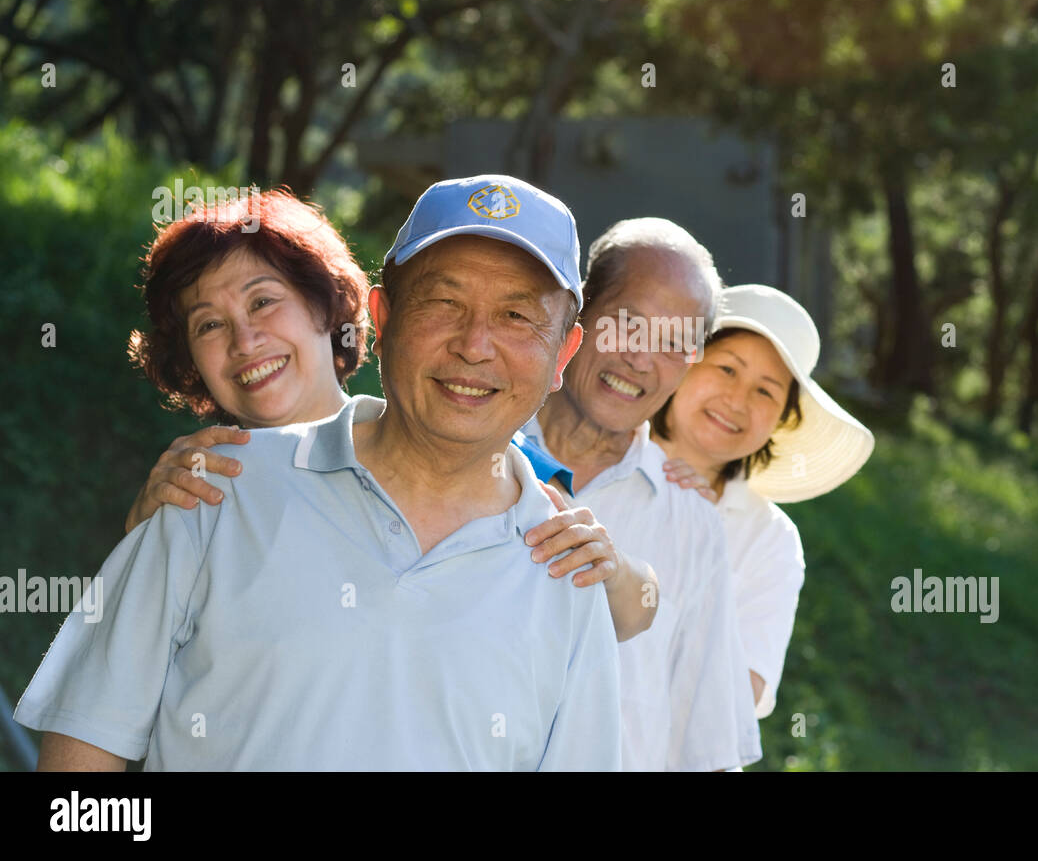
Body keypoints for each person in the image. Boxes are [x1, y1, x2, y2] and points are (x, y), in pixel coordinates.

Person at [15, 175, 622, 770]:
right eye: (444, 302)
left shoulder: (567, 571)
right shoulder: (212, 489)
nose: (474, 344)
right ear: (382, 319)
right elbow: (84, 749)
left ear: (563, 354)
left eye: (517, 315)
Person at [119, 187, 654, 641]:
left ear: (328, 306)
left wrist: (609, 567)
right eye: (208, 325)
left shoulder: (475, 447)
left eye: (263, 302)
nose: (246, 341)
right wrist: (143, 534)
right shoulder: (202, 488)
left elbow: (633, 611)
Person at [517, 217, 761, 771]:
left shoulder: (694, 525)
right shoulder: (478, 453)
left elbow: (710, 746)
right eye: (629, 323)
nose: (641, 358)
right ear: (577, 313)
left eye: (675, 344)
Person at [653, 284, 874, 719]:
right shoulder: (596, 456)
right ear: (687, 364)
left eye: (766, 391)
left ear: (782, 420)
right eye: (727, 370)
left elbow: (740, 696)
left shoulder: (770, 538)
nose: (736, 401)